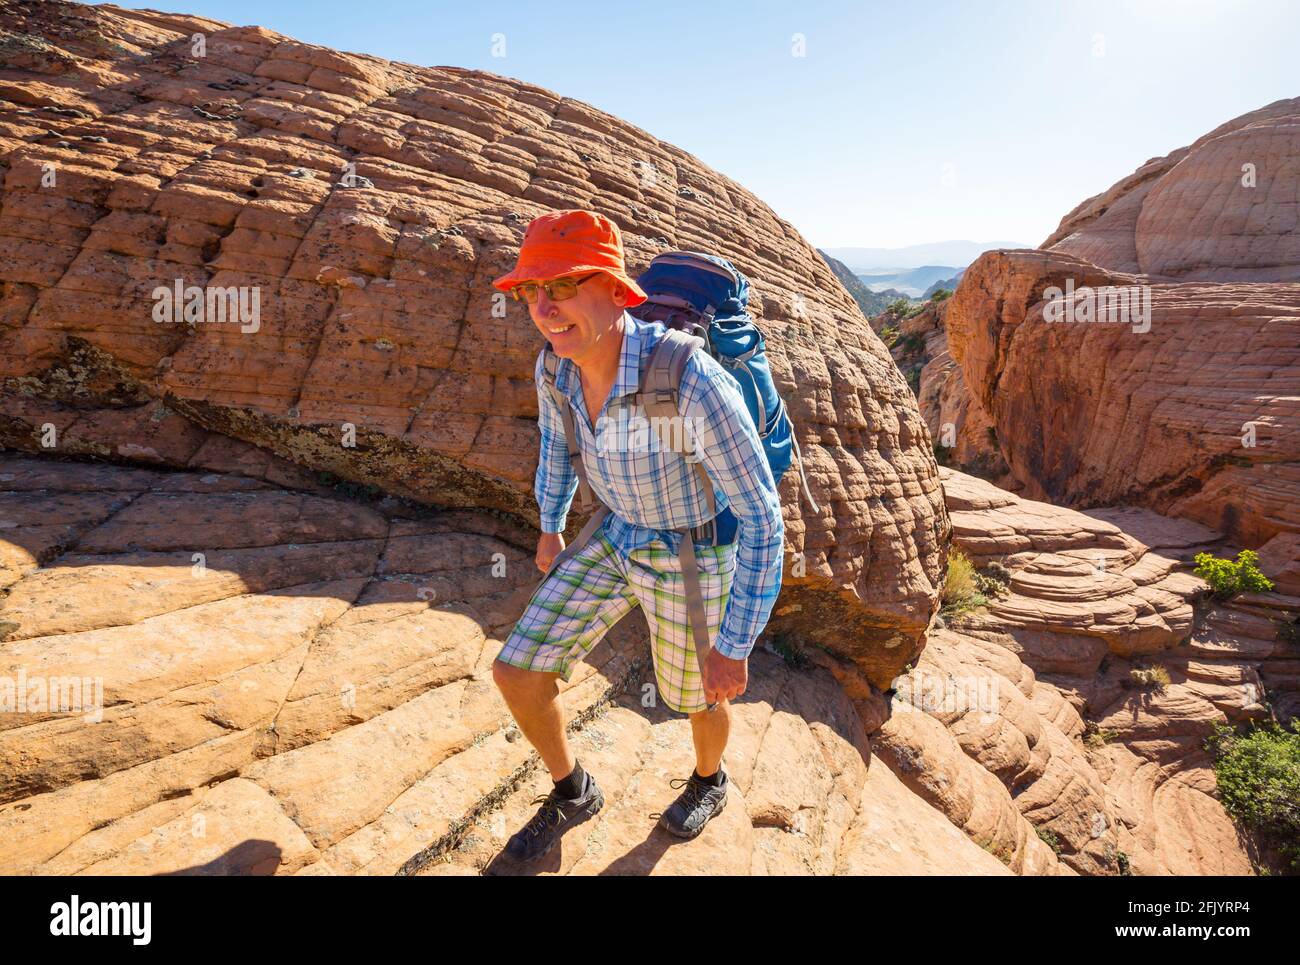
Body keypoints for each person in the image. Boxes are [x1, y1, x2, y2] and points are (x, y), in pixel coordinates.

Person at [490, 208, 785, 862]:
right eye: (530, 291)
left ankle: (710, 780)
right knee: (516, 671)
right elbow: (555, 447)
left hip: (692, 546)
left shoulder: (682, 376)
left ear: (617, 288)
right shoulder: (556, 367)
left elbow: (763, 516)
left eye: (562, 285)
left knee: (696, 696)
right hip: (617, 529)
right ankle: (573, 791)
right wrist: (550, 525)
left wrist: (735, 644)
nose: (543, 306)